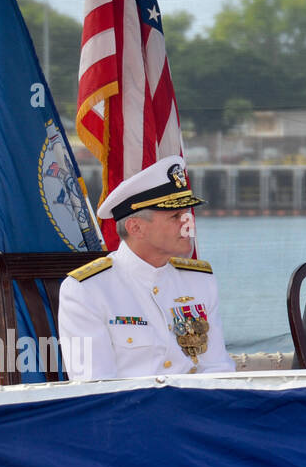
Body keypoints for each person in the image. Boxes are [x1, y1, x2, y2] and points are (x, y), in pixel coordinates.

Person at [58, 156, 235, 381]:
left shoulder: (199, 281)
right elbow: (95, 385)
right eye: (176, 216)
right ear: (136, 228)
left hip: (196, 401)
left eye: (188, 214)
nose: (188, 224)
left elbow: (217, 368)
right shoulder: (86, 290)